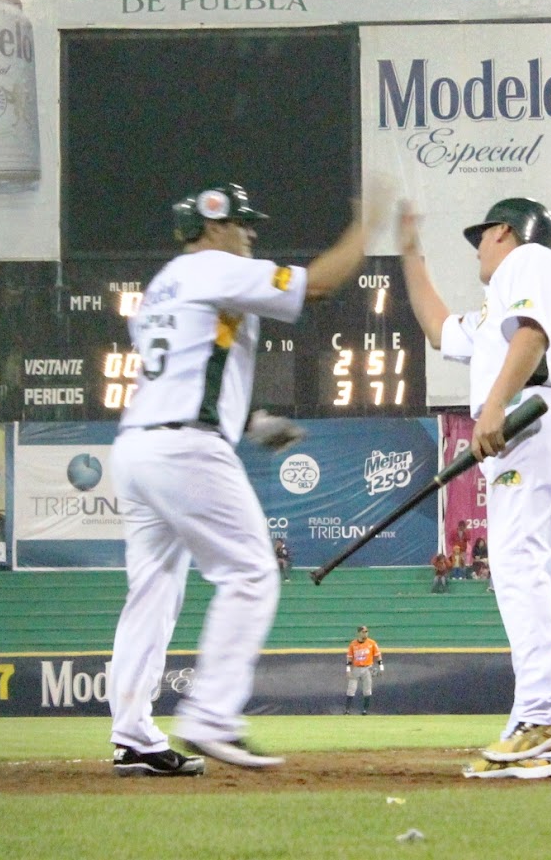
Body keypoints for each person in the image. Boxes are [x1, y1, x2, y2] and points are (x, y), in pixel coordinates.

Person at [107, 181, 382, 775]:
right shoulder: (214, 267)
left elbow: (186, 371)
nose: (251, 233)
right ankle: (211, 715)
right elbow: (320, 283)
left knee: (152, 593)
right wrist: (367, 229)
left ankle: (132, 734)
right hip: (185, 448)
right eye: (242, 222)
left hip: (137, 448)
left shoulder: (161, 286)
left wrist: (249, 421)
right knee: (253, 573)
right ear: (212, 225)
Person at [400, 197, 551, 781]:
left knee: (519, 564)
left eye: (481, 235)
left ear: (505, 230)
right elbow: (438, 329)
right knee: (523, 567)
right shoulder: (493, 306)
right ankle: (531, 739)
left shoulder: (530, 260)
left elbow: (532, 337)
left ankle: (544, 713)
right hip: (529, 423)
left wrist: (495, 406)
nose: (477, 247)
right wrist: (410, 255)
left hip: (530, 415)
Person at [344, 625, 384, 714]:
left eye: (366, 632)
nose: (365, 634)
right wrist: (348, 670)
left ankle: (365, 710)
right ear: (359, 633)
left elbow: (378, 655)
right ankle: (347, 710)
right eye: (363, 632)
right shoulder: (353, 644)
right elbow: (349, 658)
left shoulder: (372, 643)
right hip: (356, 668)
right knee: (351, 689)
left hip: (367, 668)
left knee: (367, 690)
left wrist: (381, 667)